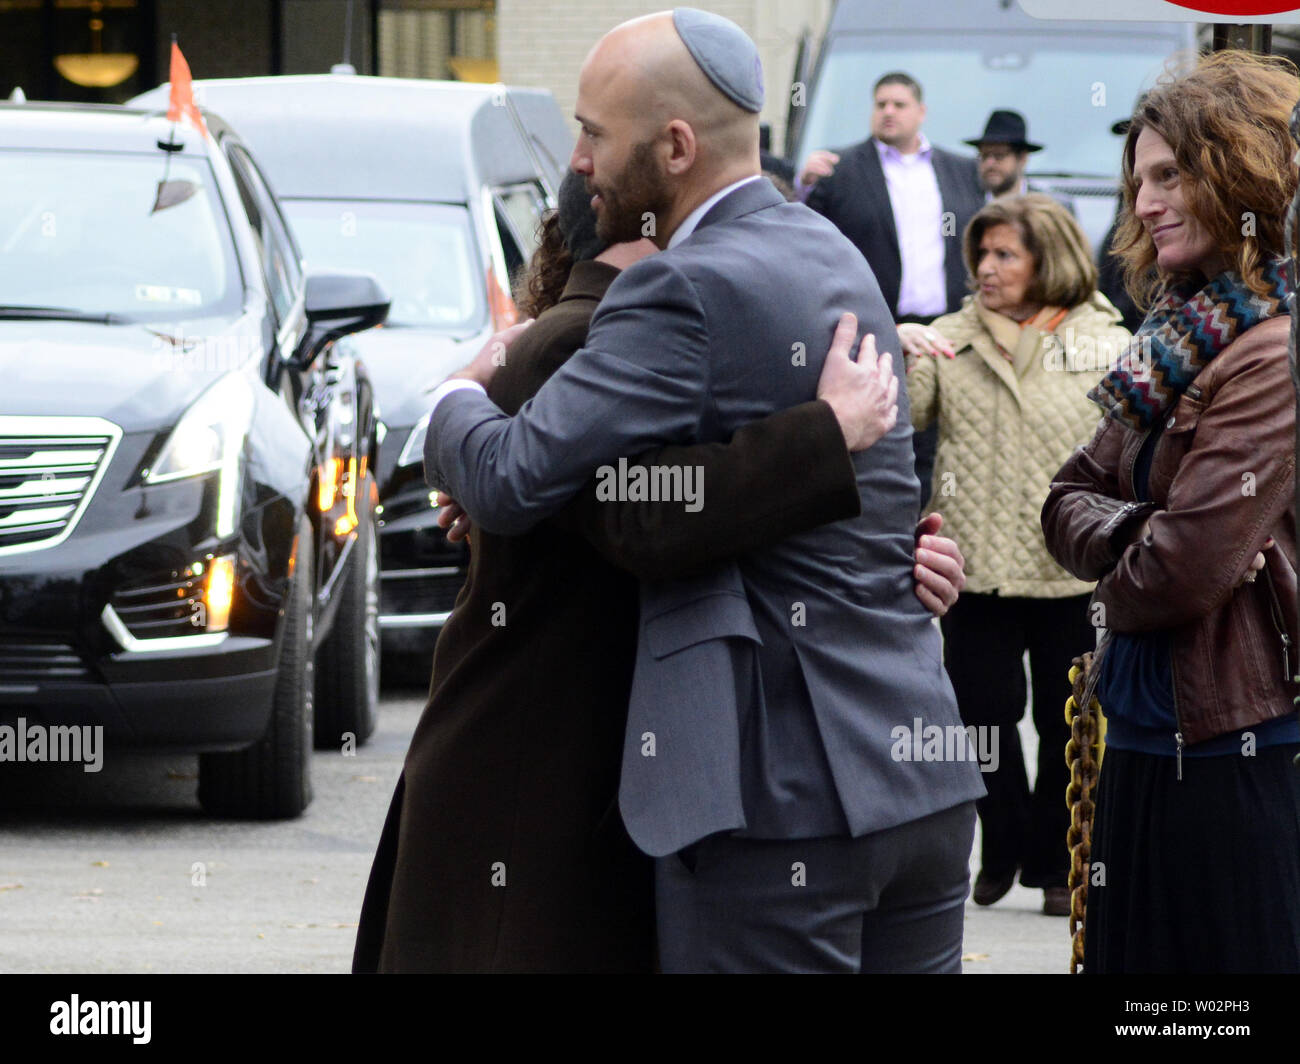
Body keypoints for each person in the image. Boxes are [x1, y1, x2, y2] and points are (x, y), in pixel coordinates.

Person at [422, 9, 987, 973]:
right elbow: (653, 508)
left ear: (675, 145)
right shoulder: (833, 252)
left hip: (779, 811)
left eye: (595, 133)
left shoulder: (676, 289)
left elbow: (520, 477)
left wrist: (450, 403)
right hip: (921, 782)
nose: (582, 161)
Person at [1041, 51, 1300, 972]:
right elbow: (1062, 500)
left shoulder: (1271, 356)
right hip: (1144, 729)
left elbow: (1181, 575)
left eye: (1170, 174)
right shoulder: (1175, 337)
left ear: (1244, 172)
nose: (1144, 203)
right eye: (1138, 179)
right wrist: (1133, 535)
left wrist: (1128, 543)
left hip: (1238, 744)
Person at [901, 193, 1132, 916]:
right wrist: (894, 343)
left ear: (1048, 261)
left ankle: (1057, 866)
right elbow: (897, 419)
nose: (986, 268)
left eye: (1005, 254)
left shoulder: (1108, 341)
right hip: (974, 570)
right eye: (982, 254)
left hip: (1070, 571)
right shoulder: (948, 337)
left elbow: (1134, 452)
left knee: (1070, 725)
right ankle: (998, 846)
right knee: (980, 720)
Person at [801, 71, 984, 500]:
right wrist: (803, 185)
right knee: (883, 429)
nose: (887, 112)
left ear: (921, 112)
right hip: (874, 326)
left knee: (941, 433)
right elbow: (807, 236)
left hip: (947, 327)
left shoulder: (961, 170)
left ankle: (937, 519)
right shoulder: (839, 169)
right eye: (880, 103)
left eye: (898, 104)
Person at [964, 109, 1074, 214]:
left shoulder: (1051, 209)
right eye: (984, 156)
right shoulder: (964, 208)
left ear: (1022, 158)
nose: (989, 163)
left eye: (999, 156)